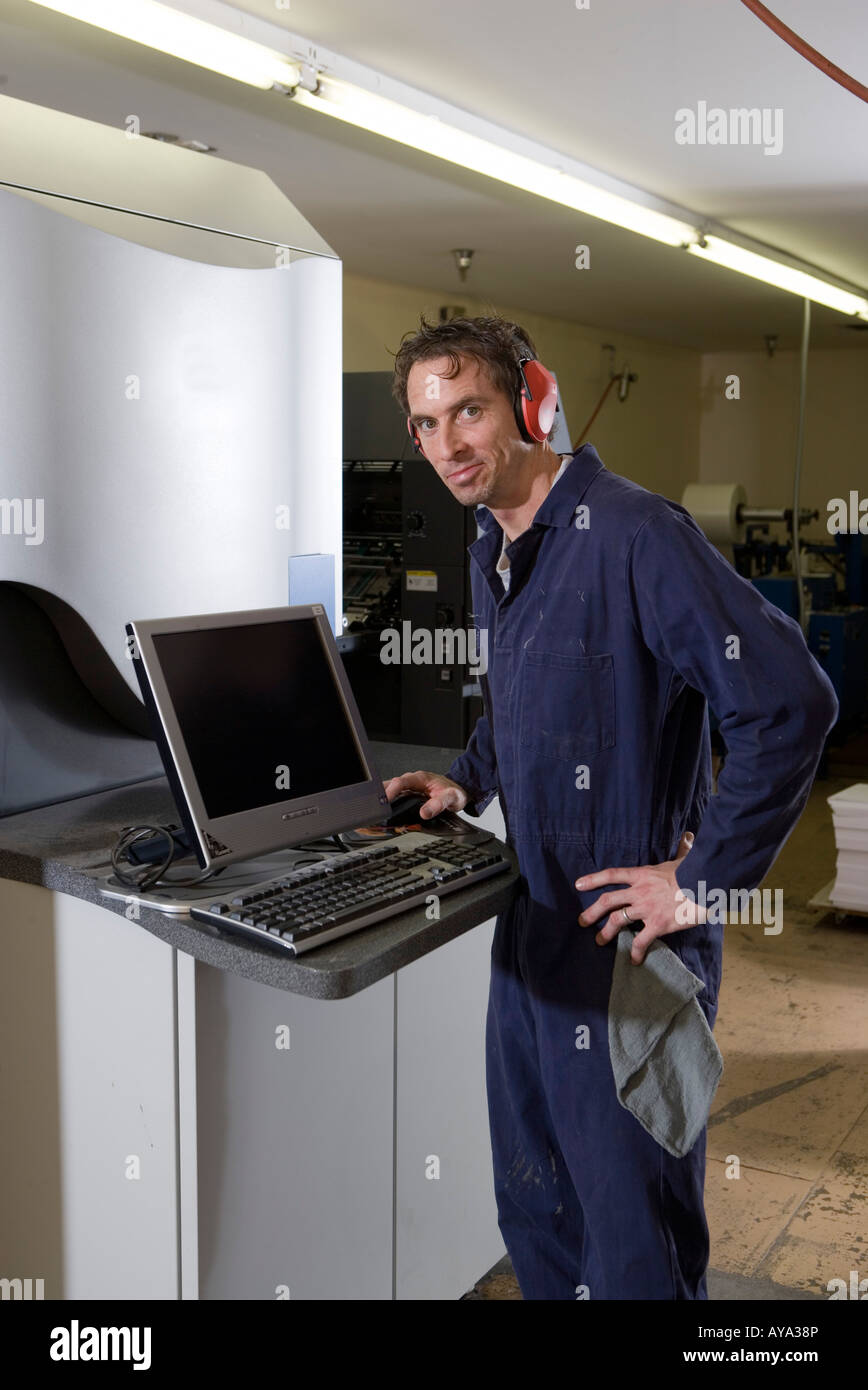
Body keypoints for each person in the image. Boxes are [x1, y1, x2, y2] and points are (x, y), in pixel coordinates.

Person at [384, 314, 839, 1300]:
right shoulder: (490, 545)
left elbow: (788, 701)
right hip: (534, 927)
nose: (449, 444)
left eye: (469, 410)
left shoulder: (636, 533)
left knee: (634, 1234)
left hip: (631, 946)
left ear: (526, 401)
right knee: (535, 1206)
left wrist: (701, 879)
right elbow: (519, 700)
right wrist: (470, 774)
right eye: (426, 423)